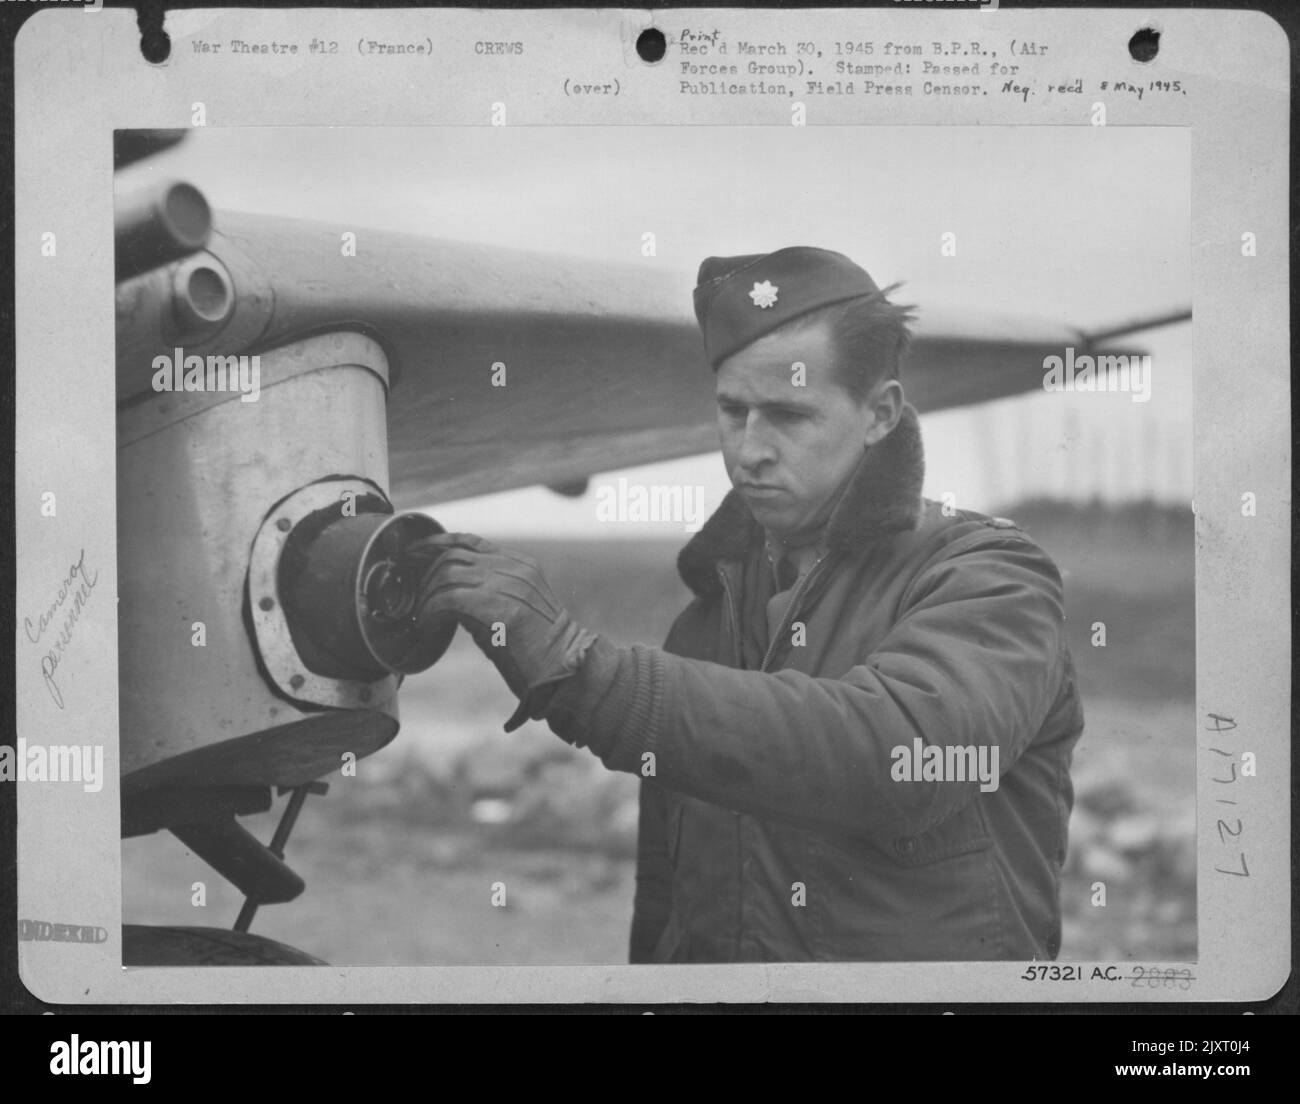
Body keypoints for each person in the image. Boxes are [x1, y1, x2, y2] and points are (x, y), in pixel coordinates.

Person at [413, 247, 1085, 963]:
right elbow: (668, 899)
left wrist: (584, 676)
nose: (749, 451)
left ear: (880, 413)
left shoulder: (991, 577)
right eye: (732, 411)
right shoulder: (706, 621)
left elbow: (903, 758)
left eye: (788, 415)